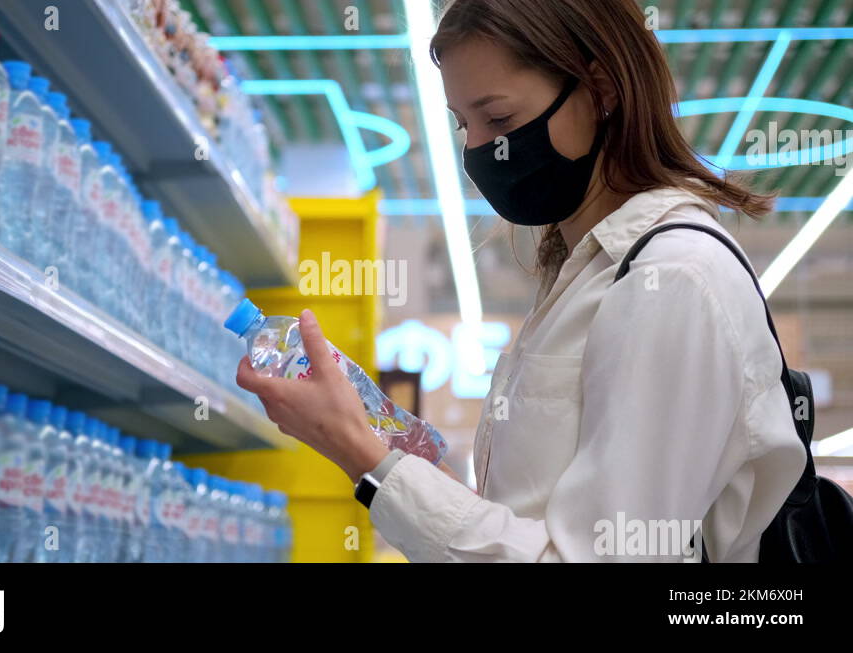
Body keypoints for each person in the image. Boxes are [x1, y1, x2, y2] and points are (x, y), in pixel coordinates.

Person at [236, 0, 807, 562]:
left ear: (602, 91)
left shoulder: (673, 277)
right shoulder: (588, 274)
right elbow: (532, 528)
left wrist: (361, 455)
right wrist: (394, 454)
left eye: (500, 119)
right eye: (465, 124)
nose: (482, 149)